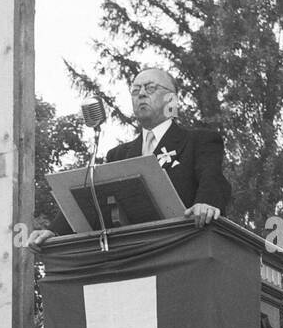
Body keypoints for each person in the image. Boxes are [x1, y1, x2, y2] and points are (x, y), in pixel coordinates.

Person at [30, 67, 231, 244]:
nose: (141, 94)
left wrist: (207, 203)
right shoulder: (118, 155)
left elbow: (212, 179)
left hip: (184, 246)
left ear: (171, 98)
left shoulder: (199, 141)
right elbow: (93, 199)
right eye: (135, 90)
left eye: (150, 88)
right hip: (132, 253)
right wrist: (54, 231)